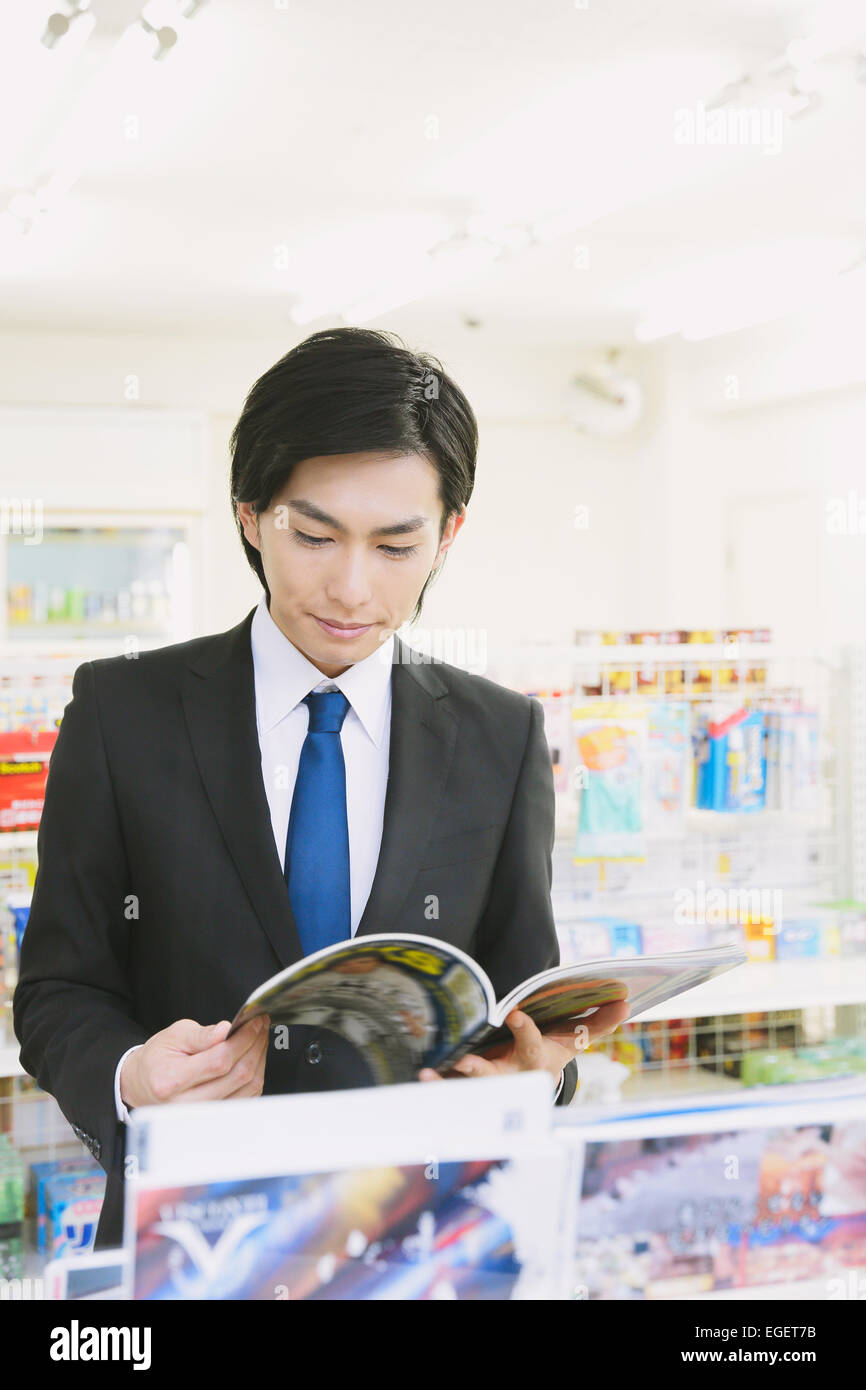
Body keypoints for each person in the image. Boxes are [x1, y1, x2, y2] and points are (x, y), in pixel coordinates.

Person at [13, 327, 628, 1250]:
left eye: (395, 545)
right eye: (313, 535)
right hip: (191, 1228)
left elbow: (514, 1000)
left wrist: (537, 1078)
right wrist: (132, 1073)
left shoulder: (500, 735)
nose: (350, 588)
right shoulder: (121, 710)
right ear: (251, 514)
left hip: (422, 1236)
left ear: (447, 534)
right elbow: (60, 987)